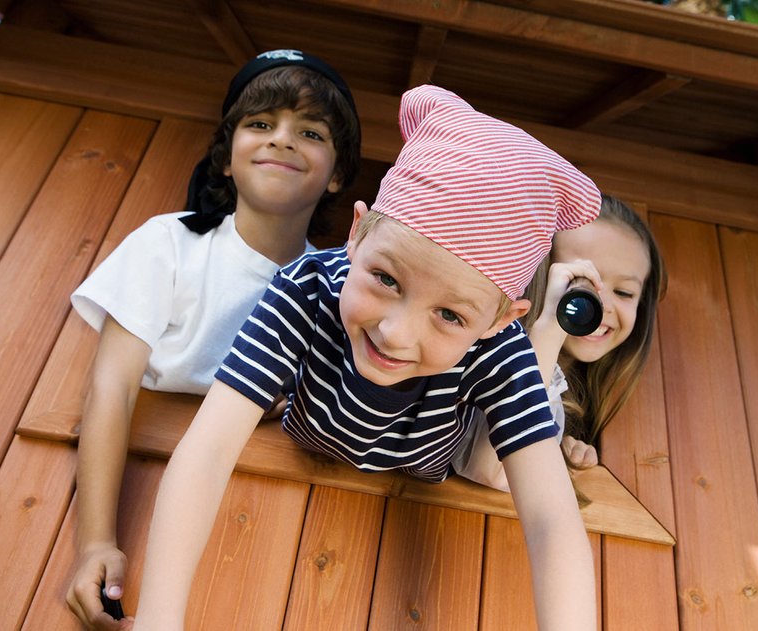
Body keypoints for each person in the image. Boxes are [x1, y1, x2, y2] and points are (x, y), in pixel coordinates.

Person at [131, 85, 602, 630]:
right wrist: (157, 620)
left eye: (450, 316)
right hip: (312, 432)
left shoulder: (503, 352)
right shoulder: (305, 288)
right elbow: (208, 450)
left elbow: (550, 520)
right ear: (356, 234)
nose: (395, 333)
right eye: (385, 278)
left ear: (500, 321)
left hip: (427, 464)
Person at [64, 49, 361, 630]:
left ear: (337, 175)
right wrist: (95, 542)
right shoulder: (169, 244)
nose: (282, 139)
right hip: (141, 500)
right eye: (261, 123)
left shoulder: (338, 288)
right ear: (226, 158)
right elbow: (113, 388)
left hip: (277, 539)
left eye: (310, 131)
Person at [453, 195, 667, 492]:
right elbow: (490, 470)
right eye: (581, 281)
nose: (602, 306)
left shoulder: (579, 398)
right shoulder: (485, 356)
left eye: (624, 292)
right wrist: (551, 327)